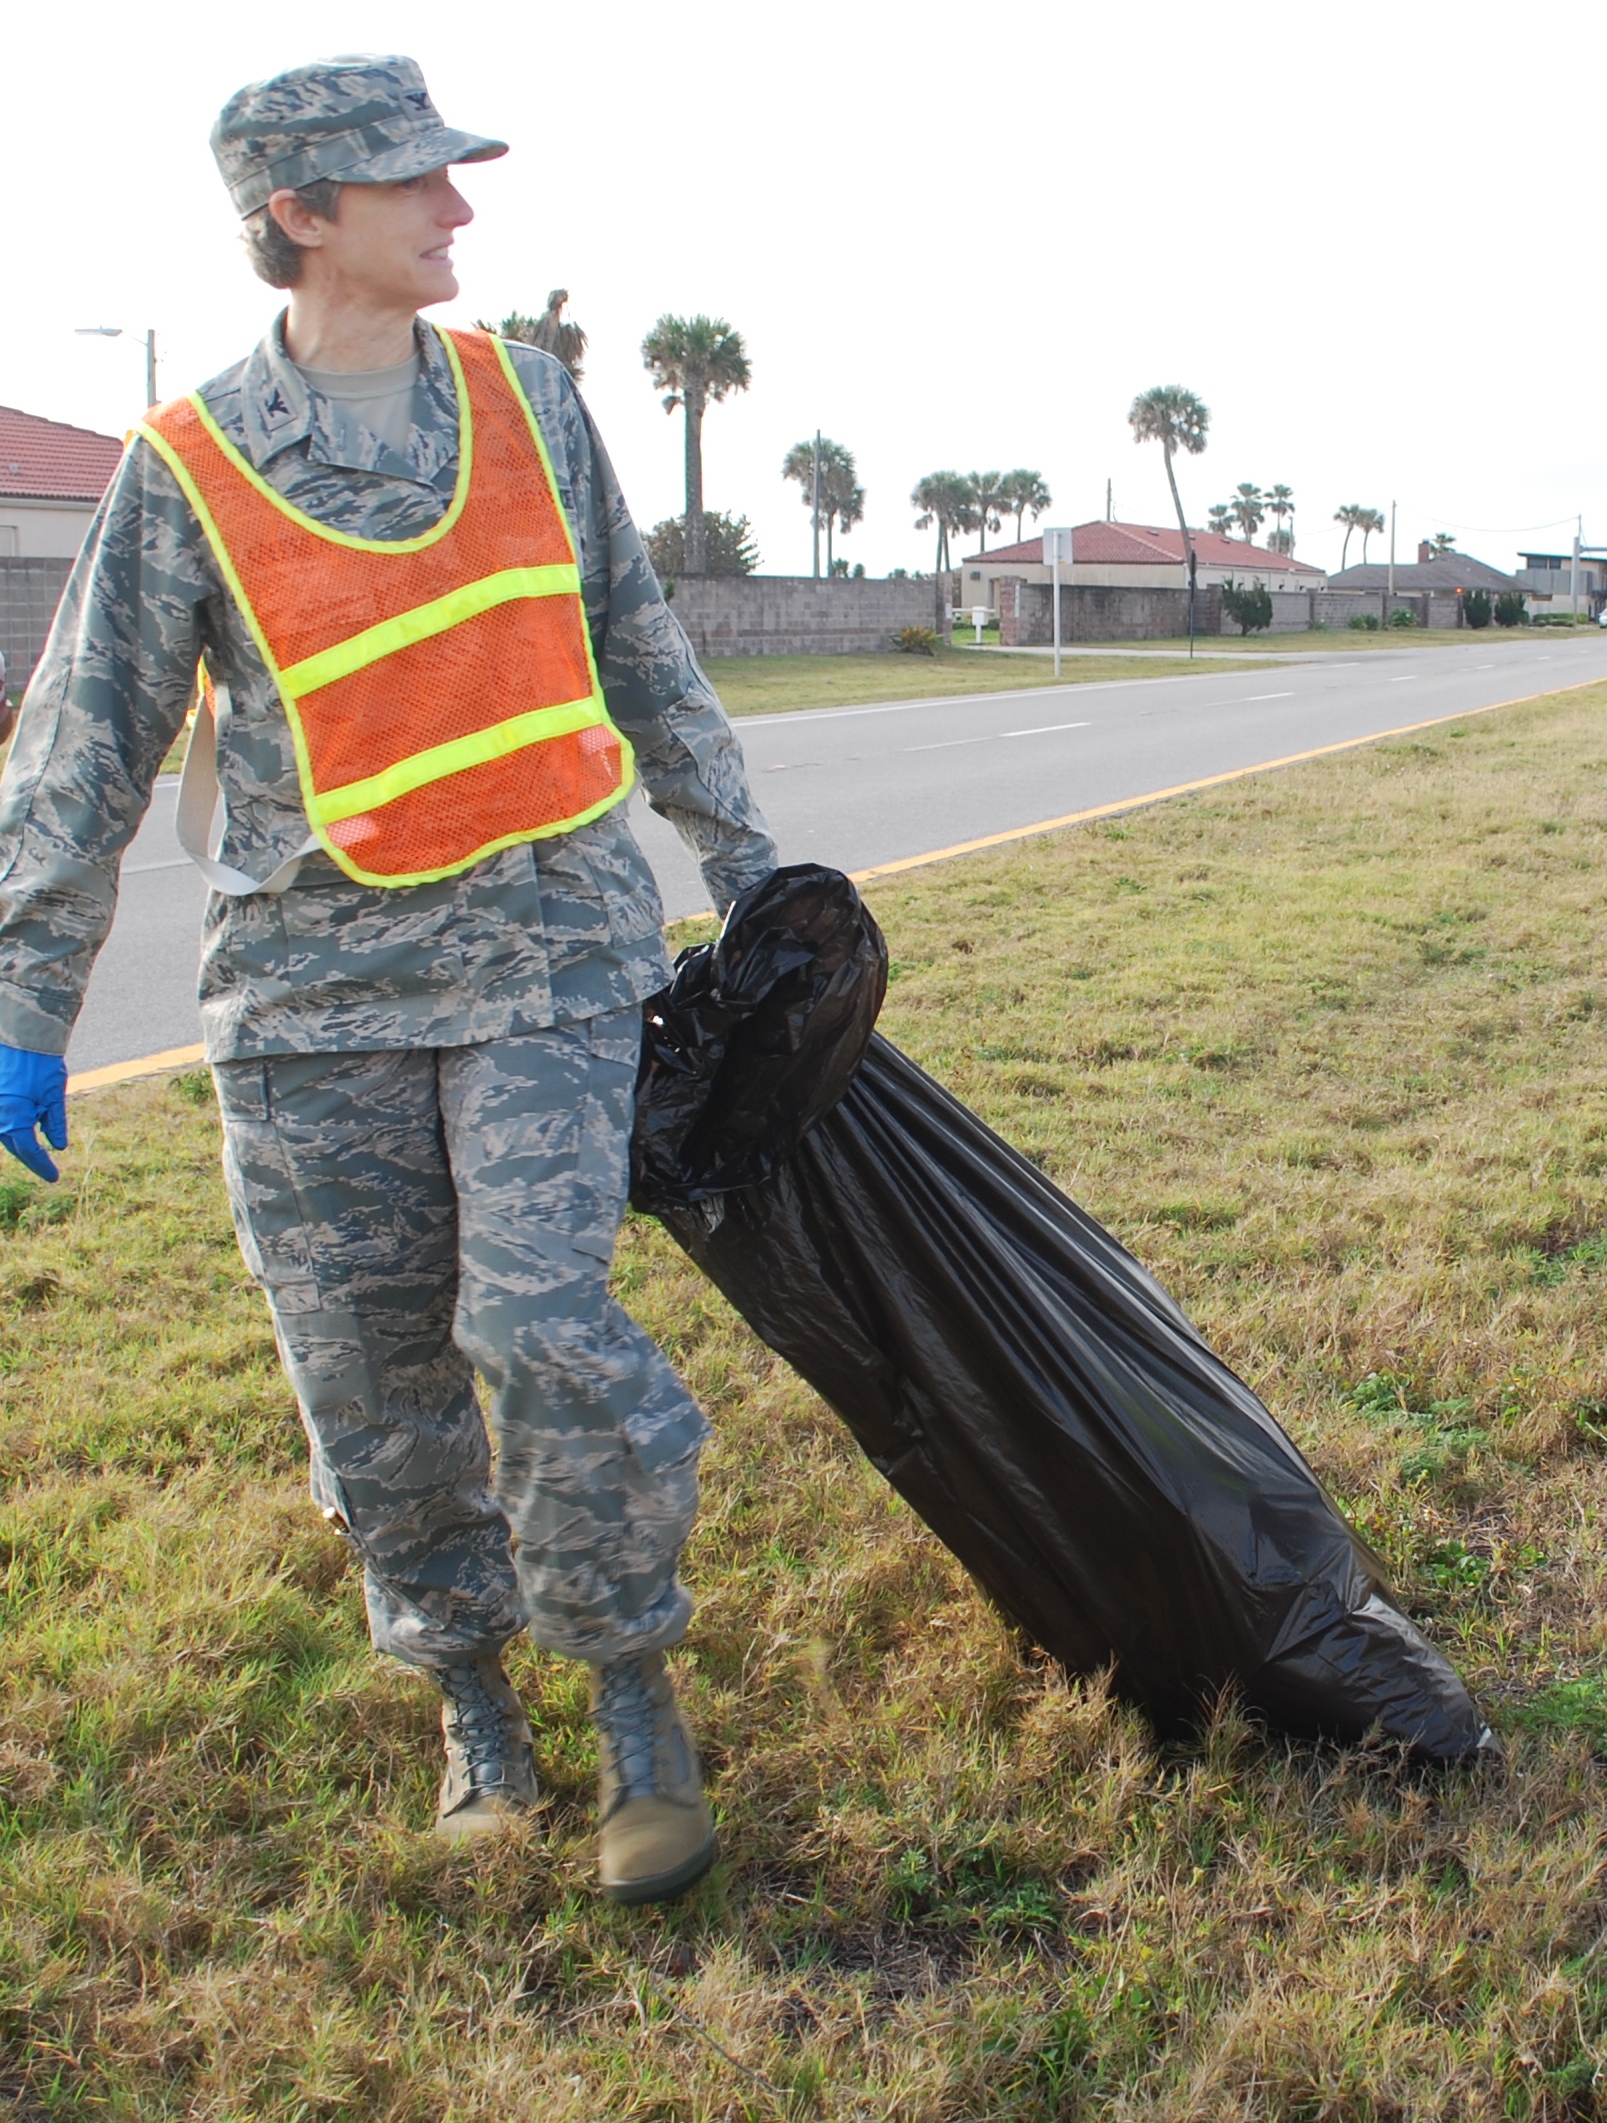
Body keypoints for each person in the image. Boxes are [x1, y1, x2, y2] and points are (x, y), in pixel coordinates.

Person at [0, 57, 777, 1898]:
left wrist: (753, 867)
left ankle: (632, 1703)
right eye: (414, 185)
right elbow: (88, 740)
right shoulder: (184, 468)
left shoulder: (530, 401)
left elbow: (638, 645)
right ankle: (474, 1707)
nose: (458, 211)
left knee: (539, 1329)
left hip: (544, 962)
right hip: (308, 1001)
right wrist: (26, 998)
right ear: (299, 217)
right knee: (370, 1379)